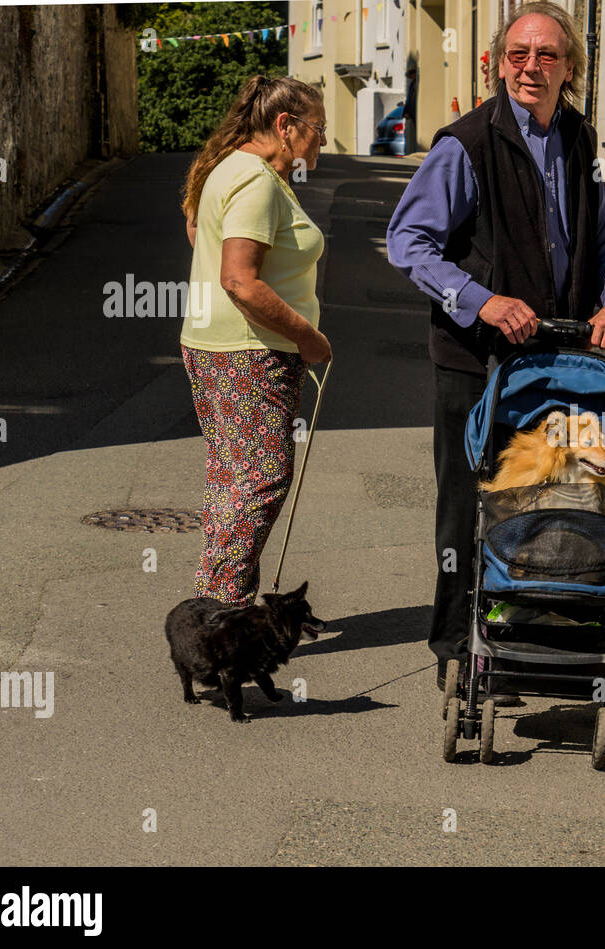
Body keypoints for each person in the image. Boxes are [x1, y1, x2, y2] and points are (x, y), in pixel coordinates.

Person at [385, 2, 605, 692]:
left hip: (559, 360)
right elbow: (409, 243)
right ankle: (455, 647)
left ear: (570, 69)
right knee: (468, 502)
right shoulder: (465, 144)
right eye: (518, 54)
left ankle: (534, 633)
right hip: (477, 360)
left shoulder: (582, 141)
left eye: (547, 55)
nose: (531, 67)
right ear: (499, 63)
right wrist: (483, 301)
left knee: (551, 492)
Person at [179, 75, 332, 606]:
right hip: (249, 351)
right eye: (317, 128)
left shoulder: (232, 168)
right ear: (285, 126)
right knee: (259, 481)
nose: (323, 141)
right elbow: (239, 278)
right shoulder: (255, 180)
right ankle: (219, 611)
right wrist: (308, 338)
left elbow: (200, 231)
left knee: (234, 479)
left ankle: (221, 605)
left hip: (218, 344)